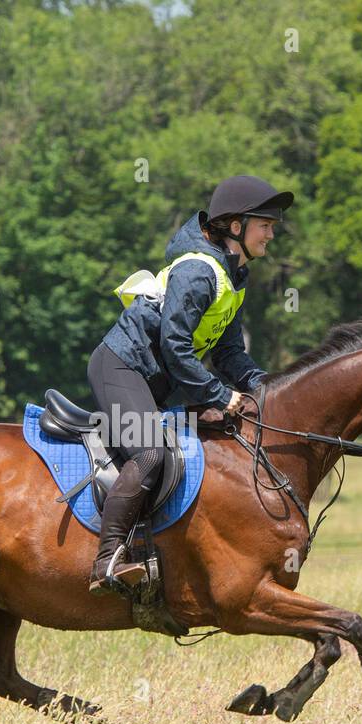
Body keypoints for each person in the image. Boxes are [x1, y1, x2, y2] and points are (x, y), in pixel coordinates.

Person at [85, 174, 294, 595]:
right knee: (151, 451)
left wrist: (265, 388)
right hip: (120, 367)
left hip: (154, 381)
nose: (273, 233)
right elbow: (176, 346)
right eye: (265, 224)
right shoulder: (199, 271)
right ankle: (106, 560)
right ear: (236, 226)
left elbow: (229, 354)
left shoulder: (233, 278)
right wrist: (220, 395)